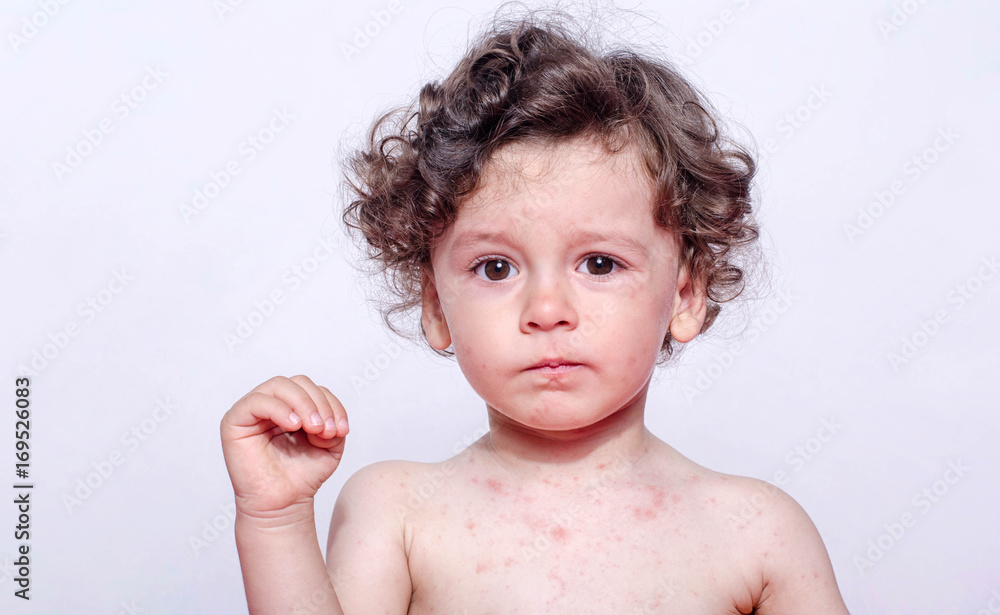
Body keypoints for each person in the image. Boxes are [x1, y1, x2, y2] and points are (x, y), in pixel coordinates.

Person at [221, 5, 851, 613]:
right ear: (436, 306)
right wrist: (274, 519)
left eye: (599, 264)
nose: (547, 310)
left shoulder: (757, 535)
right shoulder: (397, 516)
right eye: (496, 268)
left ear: (685, 295)